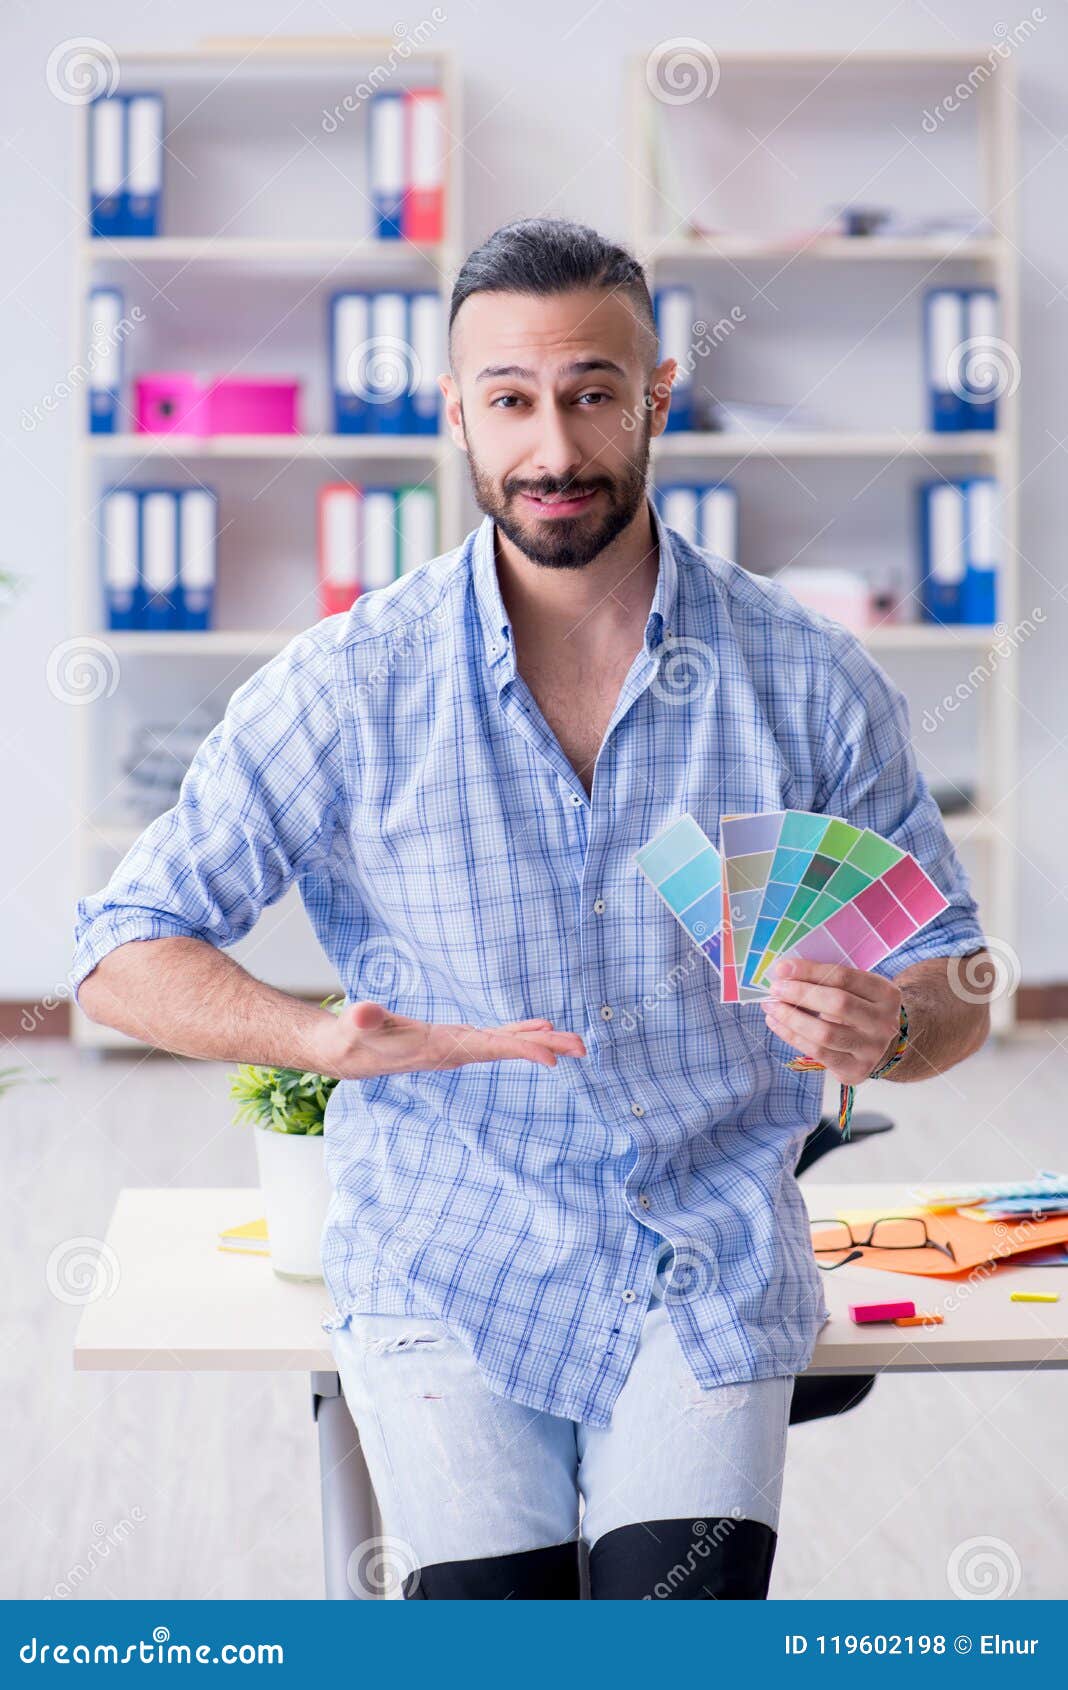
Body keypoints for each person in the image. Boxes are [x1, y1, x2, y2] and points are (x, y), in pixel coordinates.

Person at [72, 217, 991, 1600]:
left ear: (658, 395)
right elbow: (118, 951)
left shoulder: (807, 681)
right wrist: (316, 1039)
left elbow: (959, 981)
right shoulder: (348, 684)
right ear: (457, 414)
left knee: (669, 1633)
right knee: (491, 1636)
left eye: (592, 392)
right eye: (509, 398)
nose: (553, 445)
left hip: (706, 1254)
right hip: (446, 1256)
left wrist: (892, 1020)